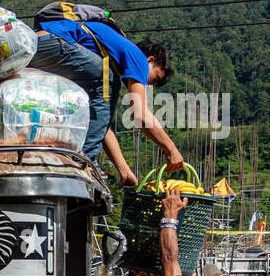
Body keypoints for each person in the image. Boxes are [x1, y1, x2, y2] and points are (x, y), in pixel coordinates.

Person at [29, 18, 183, 185]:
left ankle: (81, 159)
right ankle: (84, 162)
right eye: (153, 78)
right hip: (53, 42)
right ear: (150, 60)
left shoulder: (104, 60)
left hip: (39, 43)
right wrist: (171, 149)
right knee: (107, 78)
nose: (147, 85)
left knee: (99, 93)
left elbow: (101, 125)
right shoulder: (138, 58)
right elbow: (140, 115)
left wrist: (124, 169)